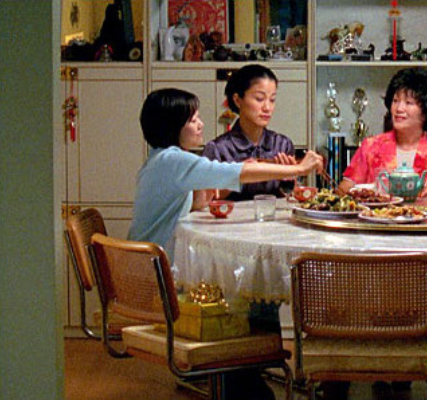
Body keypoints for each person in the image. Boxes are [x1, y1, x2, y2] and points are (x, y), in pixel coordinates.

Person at [127, 88, 323, 400]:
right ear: (172, 125)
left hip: (148, 272)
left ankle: (245, 376)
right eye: (192, 119)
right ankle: (246, 376)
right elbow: (239, 171)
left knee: (242, 280)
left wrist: (207, 191)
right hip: (156, 285)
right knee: (246, 286)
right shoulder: (173, 161)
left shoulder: (161, 160)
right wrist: (298, 169)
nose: (201, 124)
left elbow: (197, 199)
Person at [337, 67, 427, 197]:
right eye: (395, 101)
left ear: (426, 111)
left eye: (409, 103)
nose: (399, 108)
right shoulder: (371, 147)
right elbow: (343, 191)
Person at [203, 64, 298, 201]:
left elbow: (289, 197)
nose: (267, 107)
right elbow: (206, 200)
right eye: (259, 99)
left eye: (272, 100)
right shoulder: (218, 149)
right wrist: (240, 175)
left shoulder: (282, 145)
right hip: (229, 221)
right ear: (237, 100)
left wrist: (288, 180)